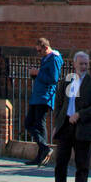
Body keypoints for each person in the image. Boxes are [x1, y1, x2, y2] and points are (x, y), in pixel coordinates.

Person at [48, 50, 91, 182]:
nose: (84, 66)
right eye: (81, 64)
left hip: (83, 128)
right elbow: (60, 102)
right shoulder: (68, 80)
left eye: (86, 64)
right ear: (74, 64)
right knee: (60, 163)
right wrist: (57, 124)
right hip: (66, 126)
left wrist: (80, 114)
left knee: (82, 165)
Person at [24, 36, 63, 166]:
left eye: (40, 51)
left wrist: (38, 72)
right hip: (38, 95)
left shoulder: (54, 59)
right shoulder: (46, 58)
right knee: (30, 123)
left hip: (45, 96)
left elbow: (54, 78)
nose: (38, 53)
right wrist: (34, 74)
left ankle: (44, 148)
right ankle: (42, 151)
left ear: (46, 48)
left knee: (38, 124)